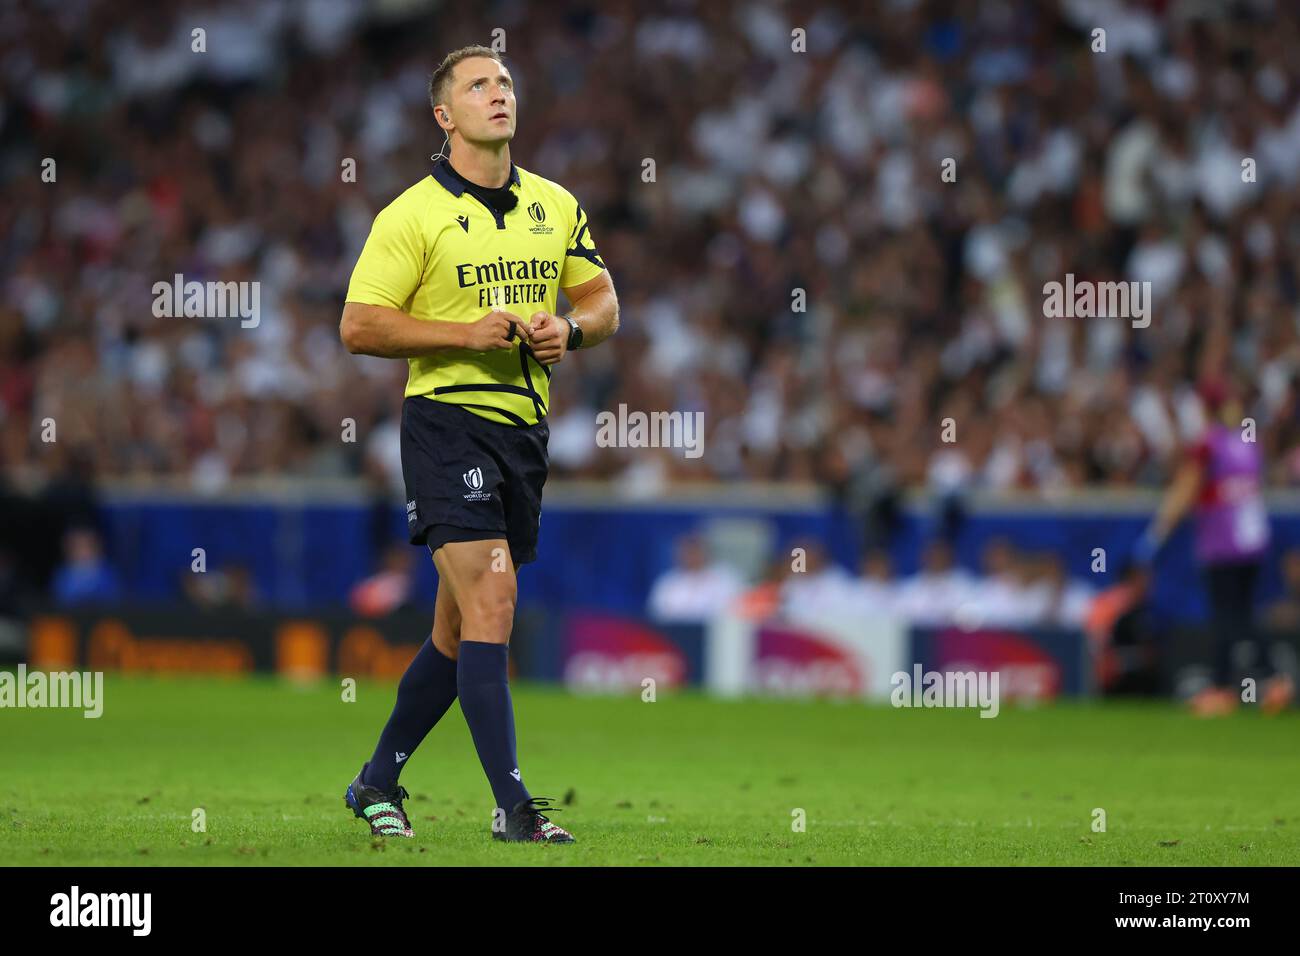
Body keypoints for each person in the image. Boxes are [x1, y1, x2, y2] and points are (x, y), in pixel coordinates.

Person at [339, 45, 620, 842]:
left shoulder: (555, 205)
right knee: (495, 598)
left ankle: (375, 783)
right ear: (444, 115)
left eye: (504, 83)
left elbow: (603, 303)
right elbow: (360, 325)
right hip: (446, 423)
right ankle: (516, 808)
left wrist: (570, 327)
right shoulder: (411, 214)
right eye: (477, 86)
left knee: (456, 632)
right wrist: (463, 334)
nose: (498, 94)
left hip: (524, 432)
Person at [1138, 377, 1294, 715]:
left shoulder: (1209, 444)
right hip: (1251, 540)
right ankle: (1251, 684)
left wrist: (1156, 534)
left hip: (1223, 542)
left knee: (1228, 616)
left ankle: (1250, 684)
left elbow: (1186, 488)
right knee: (1240, 614)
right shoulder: (1245, 442)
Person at [646, 535, 744, 624]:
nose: (691, 556)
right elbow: (658, 616)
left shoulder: (726, 578)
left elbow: (735, 612)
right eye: (686, 551)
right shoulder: (667, 582)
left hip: (716, 637)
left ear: (706, 552)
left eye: (695, 551)